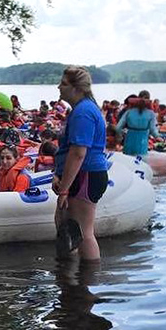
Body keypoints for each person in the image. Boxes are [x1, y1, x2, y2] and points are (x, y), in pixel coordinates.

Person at [52, 65, 109, 261]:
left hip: (86, 174)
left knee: (83, 232)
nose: (59, 87)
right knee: (65, 225)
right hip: (80, 174)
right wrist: (59, 175)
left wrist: (64, 189)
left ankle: (87, 282)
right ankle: (70, 279)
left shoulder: (83, 112)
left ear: (77, 88)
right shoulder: (81, 109)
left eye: (64, 83)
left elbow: (78, 153)